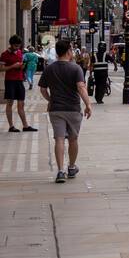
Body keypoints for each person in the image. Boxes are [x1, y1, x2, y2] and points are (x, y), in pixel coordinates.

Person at [38, 40, 93, 184]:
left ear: (57, 52)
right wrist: (88, 104)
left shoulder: (49, 69)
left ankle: (60, 171)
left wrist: (50, 99)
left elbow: (43, 89)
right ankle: (71, 167)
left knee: (59, 139)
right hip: (73, 109)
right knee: (73, 139)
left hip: (56, 109)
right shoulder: (76, 69)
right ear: (69, 51)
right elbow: (81, 87)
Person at [3, 35, 36, 133]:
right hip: (10, 80)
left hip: (19, 80)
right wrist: (13, 66)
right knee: (10, 103)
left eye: (19, 46)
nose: (17, 48)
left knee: (21, 103)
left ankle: (25, 125)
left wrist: (22, 66)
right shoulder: (4, 54)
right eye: (16, 46)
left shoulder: (20, 53)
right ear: (11, 45)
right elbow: (1, 68)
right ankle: (11, 126)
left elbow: (21, 64)